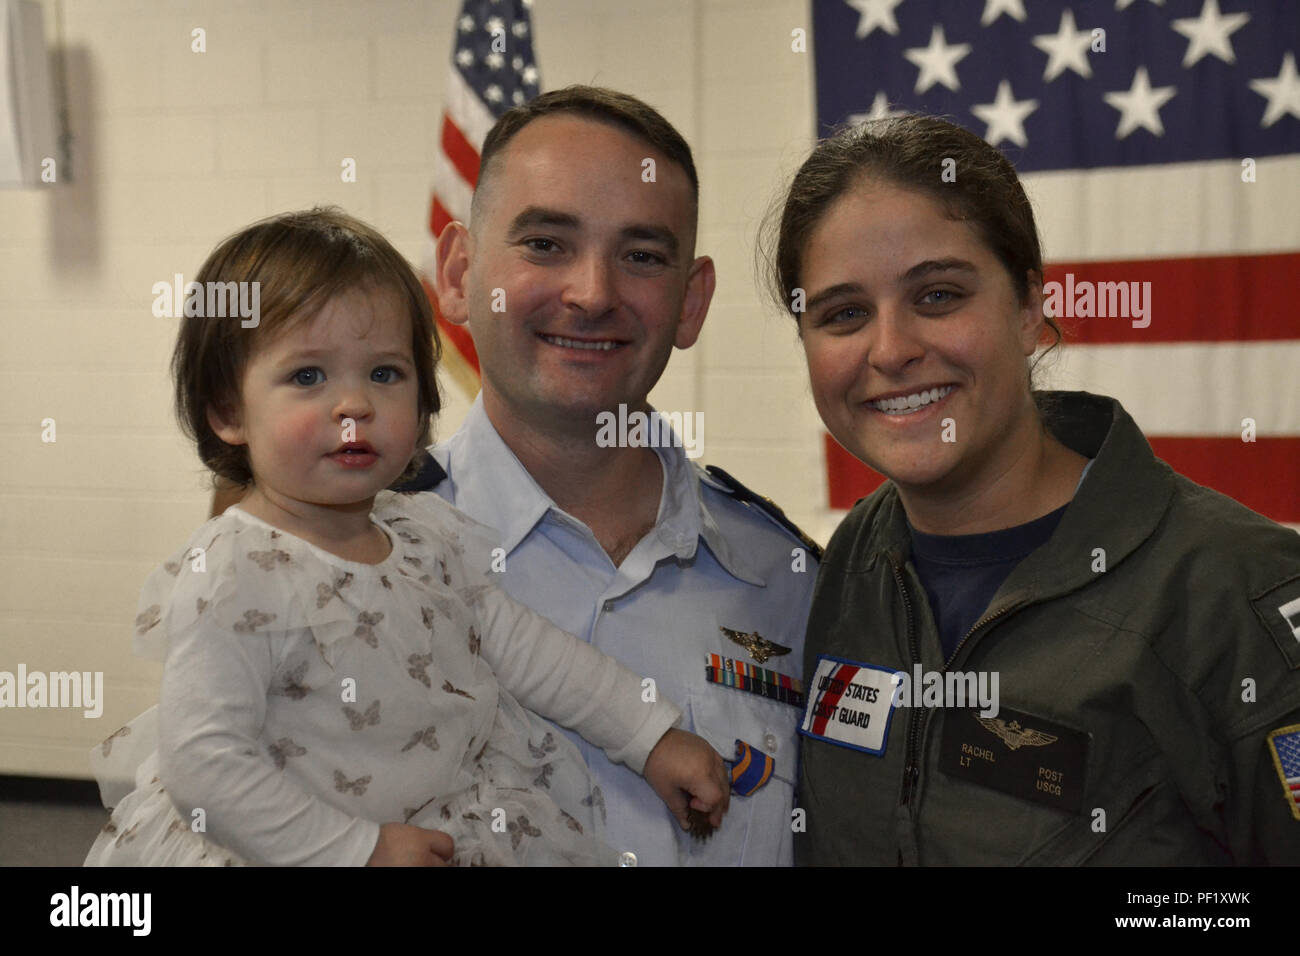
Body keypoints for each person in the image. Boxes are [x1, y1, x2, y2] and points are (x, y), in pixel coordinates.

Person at [85, 207, 728, 867]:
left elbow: (535, 654)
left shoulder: (423, 536)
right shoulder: (237, 572)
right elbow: (205, 767)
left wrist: (651, 737)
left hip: (432, 835)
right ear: (227, 411)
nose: (354, 405)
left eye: (385, 374)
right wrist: (357, 851)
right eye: (308, 376)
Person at [765, 113, 1300, 865]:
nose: (890, 350)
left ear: (1028, 307)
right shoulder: (853, 564)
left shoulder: (1237, 593)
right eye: (844, 314)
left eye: (939, 296)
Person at [416, 86, 819, 866]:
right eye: (545, 243)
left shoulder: (789, 580)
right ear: (459, 273)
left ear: (690, 303)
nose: (593, 294)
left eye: (641, 256)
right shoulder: (345, 559)